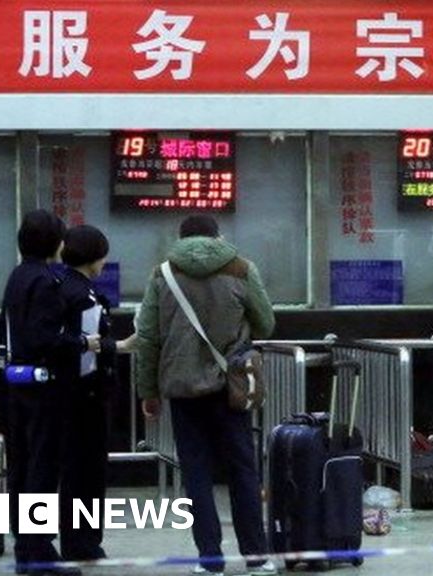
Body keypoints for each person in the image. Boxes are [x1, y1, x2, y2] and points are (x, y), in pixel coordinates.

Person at [134, 215, 276, 576]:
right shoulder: (241, 268)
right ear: (218, 237)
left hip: (182, 389)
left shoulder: (163, 275)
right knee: (243, 469)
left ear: (181, 239)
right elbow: (266, 323)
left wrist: (148, 391)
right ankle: (256, 557)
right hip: (231, 386)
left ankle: (210, 560)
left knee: (195, 473)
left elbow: (148, 337)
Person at [2, 210, 97, 576]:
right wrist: (82, 342)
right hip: (44, 388)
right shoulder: (45, 281)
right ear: (54, 243)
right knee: (42, 469)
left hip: (18, 383)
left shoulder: (17, 276)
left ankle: (25, 548)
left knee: (22, 466)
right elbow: (45, 338)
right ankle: (40, 549)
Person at [56, 224, 136, 561]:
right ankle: (83, 542)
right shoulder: (84, 296)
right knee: (86, 473)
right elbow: (88, 350)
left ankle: (77, 539)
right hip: (86, 396)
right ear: (92, 258)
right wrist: (121, 346)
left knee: (73, 471)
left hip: (66, 395)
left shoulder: (60, 286)